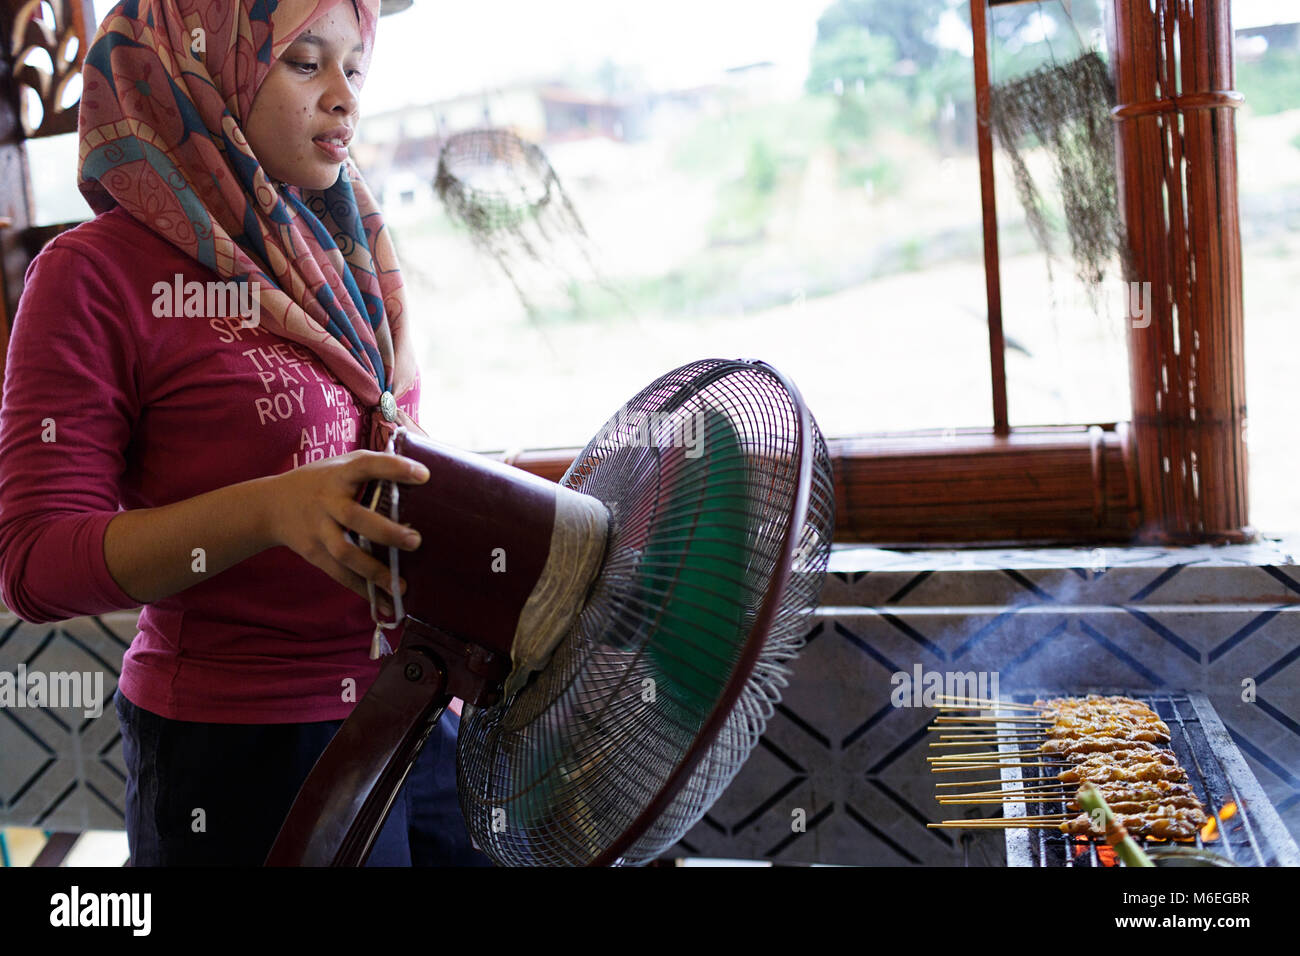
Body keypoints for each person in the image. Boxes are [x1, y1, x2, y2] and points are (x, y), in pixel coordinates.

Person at [0, 0, 490, 866]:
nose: (345, 97)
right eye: (305, 63)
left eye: (355, 67)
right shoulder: (92, 276)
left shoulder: (349, 256)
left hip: (417, 713)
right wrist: (270, 511)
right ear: (200, 72)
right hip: (242, 754)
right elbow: (34, 564)